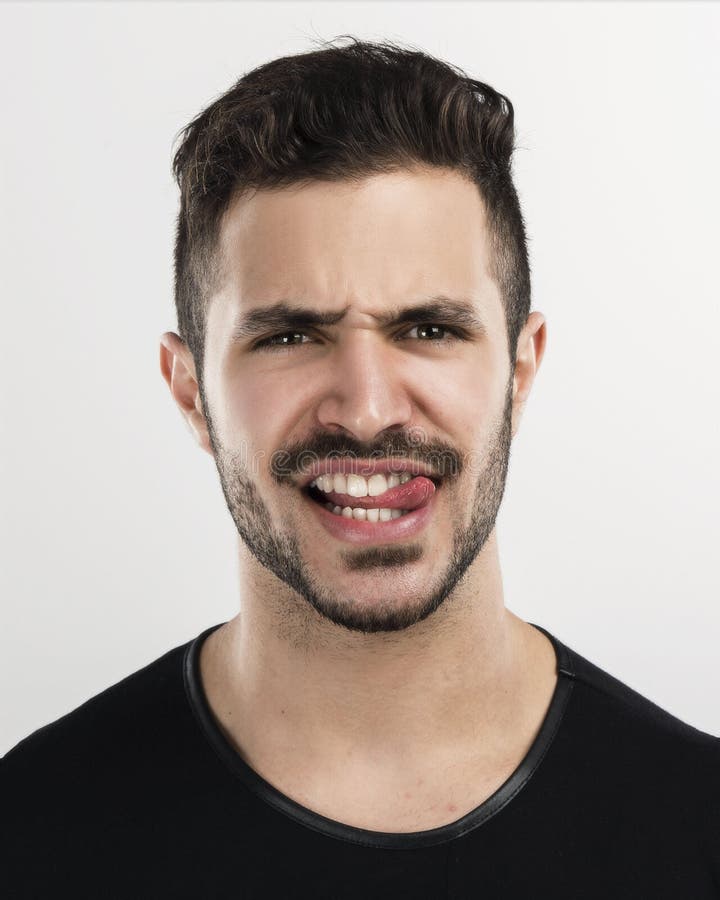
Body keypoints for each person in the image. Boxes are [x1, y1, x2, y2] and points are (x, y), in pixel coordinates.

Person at [3, 36, 718, 899]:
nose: (368, 407)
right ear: (190, 391)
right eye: (291, 336)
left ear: (520, 370)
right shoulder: (31, 832)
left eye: (428, 329)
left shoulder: (696, 825)